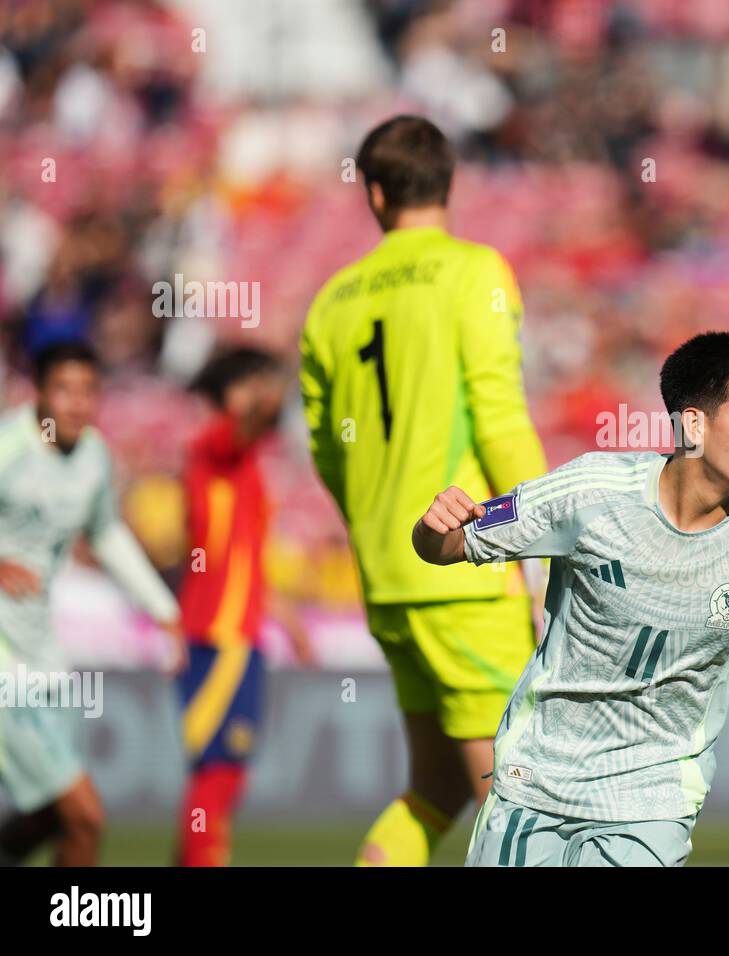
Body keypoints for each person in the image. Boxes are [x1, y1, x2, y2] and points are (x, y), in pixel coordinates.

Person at [413, 331, 729, 867]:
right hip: (538, 779)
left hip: (654, 798)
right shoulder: (591, 491)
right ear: (693, 425)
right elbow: (449, 545)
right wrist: (434, 529)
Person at [300, 115, 547, 866]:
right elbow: (501, 421)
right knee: (521, 806)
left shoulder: (332, 302)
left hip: (388, 575)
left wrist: (378, 532)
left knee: (434, 789)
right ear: (450, 181)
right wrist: (544, 549)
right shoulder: (474, 272)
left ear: (374, 193)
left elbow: (326, 453)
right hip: (468, 576)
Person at [0, 341, 181, 866]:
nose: (77, 404)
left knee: (51, 813)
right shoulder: (9, 447)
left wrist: (163, 610)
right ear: (38, 391)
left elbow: (104, 534)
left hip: (42, 650)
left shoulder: (94, 456)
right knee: (85, 815)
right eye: (64, 389)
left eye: (89, 391)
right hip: (4, 660)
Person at [175, 347, 312, 866]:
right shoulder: (213, 445)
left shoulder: (244, 463)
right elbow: (251, 423)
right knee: (219, 774)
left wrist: (290, 621)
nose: (259, 396)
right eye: (250, 385)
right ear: (227, 393)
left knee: (219, 774)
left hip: (238, 635)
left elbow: (247, 559)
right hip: (215, 634)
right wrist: (277, 382)